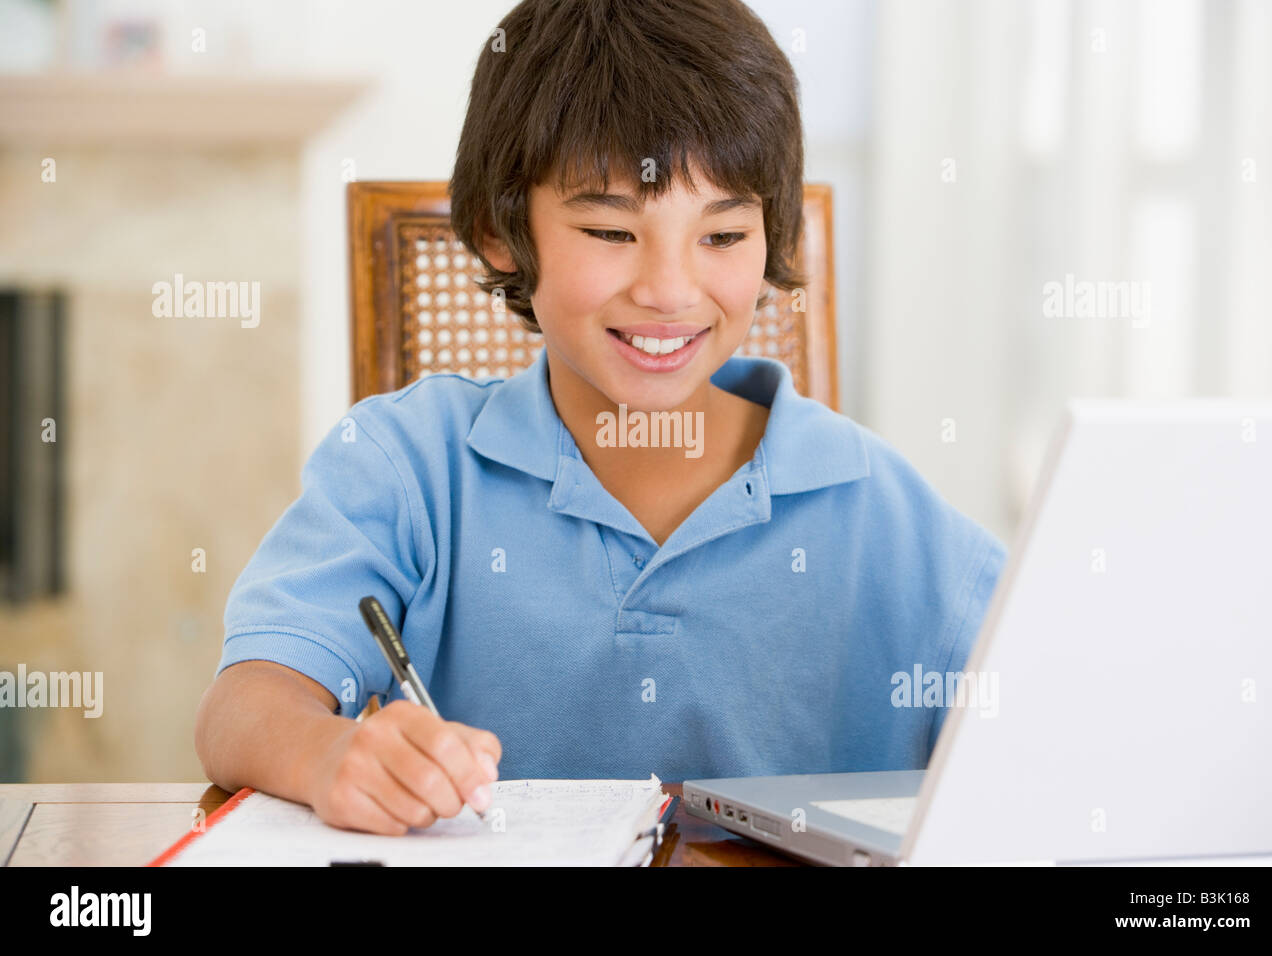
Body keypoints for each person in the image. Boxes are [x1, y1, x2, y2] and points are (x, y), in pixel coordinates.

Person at [195, 0, 1005, 836]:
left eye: (723, 236)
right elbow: (241, 706)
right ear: (500, 232)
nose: (670, 289)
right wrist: (328, 754)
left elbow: (1052, 720)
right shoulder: (407, 466)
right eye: (612, 230)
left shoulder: (882, 510)